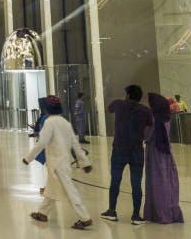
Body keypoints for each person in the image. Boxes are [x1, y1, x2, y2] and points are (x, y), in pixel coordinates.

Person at [23, 96, 94, 229]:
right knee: (50, 189)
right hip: (63, 162)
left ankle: (85, 218)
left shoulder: (49, 122)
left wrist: (28, 158)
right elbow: (75, 144)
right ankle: (43, 213)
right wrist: (85, 162)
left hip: (56, 164)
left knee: (70, 191)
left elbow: (42, 142)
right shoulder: (65, 123)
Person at [101, 84, 152, 224]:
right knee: (136, 183)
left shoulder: (118, 104)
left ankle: (111, 211)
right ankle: (136, 215)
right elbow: (150, 124)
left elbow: (107, 109)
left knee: (115, 180)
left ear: (128, 95)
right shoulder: (145, 110)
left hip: (119, 148)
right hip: (137, 150)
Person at [144, 93, 184, 224]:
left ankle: (160, 213)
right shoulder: (166, 118)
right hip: (166, 153)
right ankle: (171, 211)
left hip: (155, 152)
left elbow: (148, 136)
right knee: (168, 180)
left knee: (157, 181)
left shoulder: (153, 119)